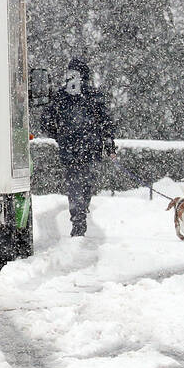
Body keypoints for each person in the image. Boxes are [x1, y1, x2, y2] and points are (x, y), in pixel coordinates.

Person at [36, 57, 118, 238]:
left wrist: (59, 135)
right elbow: (106, 121)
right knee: (85, 182)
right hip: (89, 148)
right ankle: (80, 213)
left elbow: (46, 121)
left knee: (74, 183)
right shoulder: (92, 96)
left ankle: (78, 214)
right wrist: (107, 141)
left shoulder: (61, 96)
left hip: (71, 149)